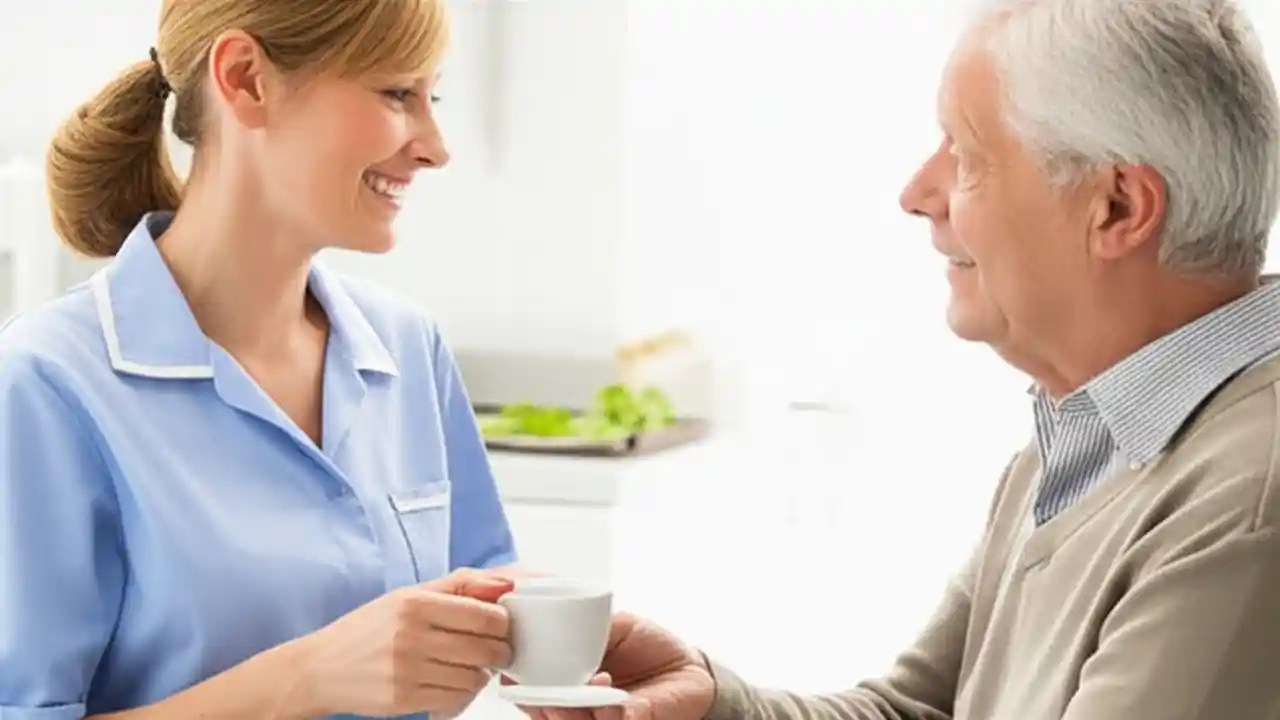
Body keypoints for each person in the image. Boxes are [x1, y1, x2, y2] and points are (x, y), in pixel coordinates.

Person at [522, 1, 1280, 718]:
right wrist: (715, 703)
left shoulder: (1248, 498)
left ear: (1117, 208)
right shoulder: (1085, 437)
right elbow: (914, 710)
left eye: (969, 155)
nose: (918, 193)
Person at [0, 1, 522, 718]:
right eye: (397, 94)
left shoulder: (408, 348)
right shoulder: (46, 383)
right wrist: (308, 678)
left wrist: (579, 651)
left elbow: (487, 596)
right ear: (245, 79)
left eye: (430, 98)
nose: (434, 146)